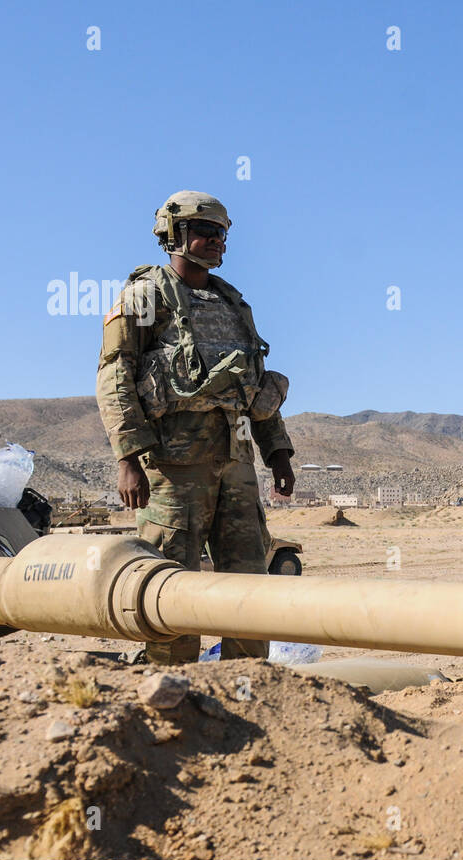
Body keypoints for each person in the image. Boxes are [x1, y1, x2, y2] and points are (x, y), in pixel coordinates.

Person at [96, 190, 296, 662]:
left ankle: (248, 687)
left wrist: (279, 452)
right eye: (204, 231)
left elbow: (252, 385)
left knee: (249, 585)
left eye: (222, 233)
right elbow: (114, 375)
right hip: (173, 469)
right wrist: (127, 458)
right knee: (169, 586)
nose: (216, 241)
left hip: (236, 464)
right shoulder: (144, 297)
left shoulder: (232, 304)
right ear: (173, 234)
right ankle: (172, 689)